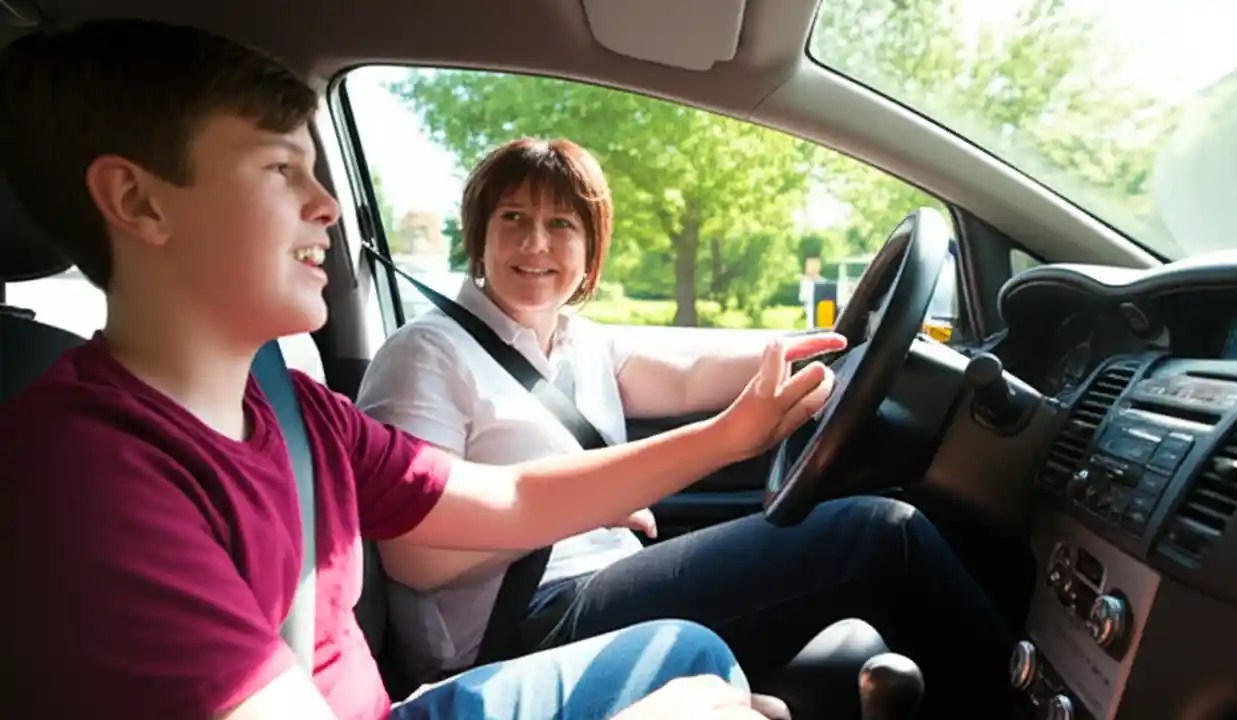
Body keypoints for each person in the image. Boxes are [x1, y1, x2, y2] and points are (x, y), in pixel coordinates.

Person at [0, 19, 846, 720]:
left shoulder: (301, 413)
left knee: (690, 654)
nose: (327, 205)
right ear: (141, 203)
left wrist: (729, 434)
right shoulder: (79, 472)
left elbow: (510, 499)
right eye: (279, 169)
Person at [357, 137, 1018, 716]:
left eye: (561, 224)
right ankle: (1021, 706)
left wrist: (847, 348)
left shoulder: (579, 342)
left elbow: (691, 372)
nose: (535, 243)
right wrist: (591, 504)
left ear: (590, 253)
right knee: (880, 536)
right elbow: (414, 556)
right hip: (512, 636)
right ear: (479, 234)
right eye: (513, 219)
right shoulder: (427, 353)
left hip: (592, 585)